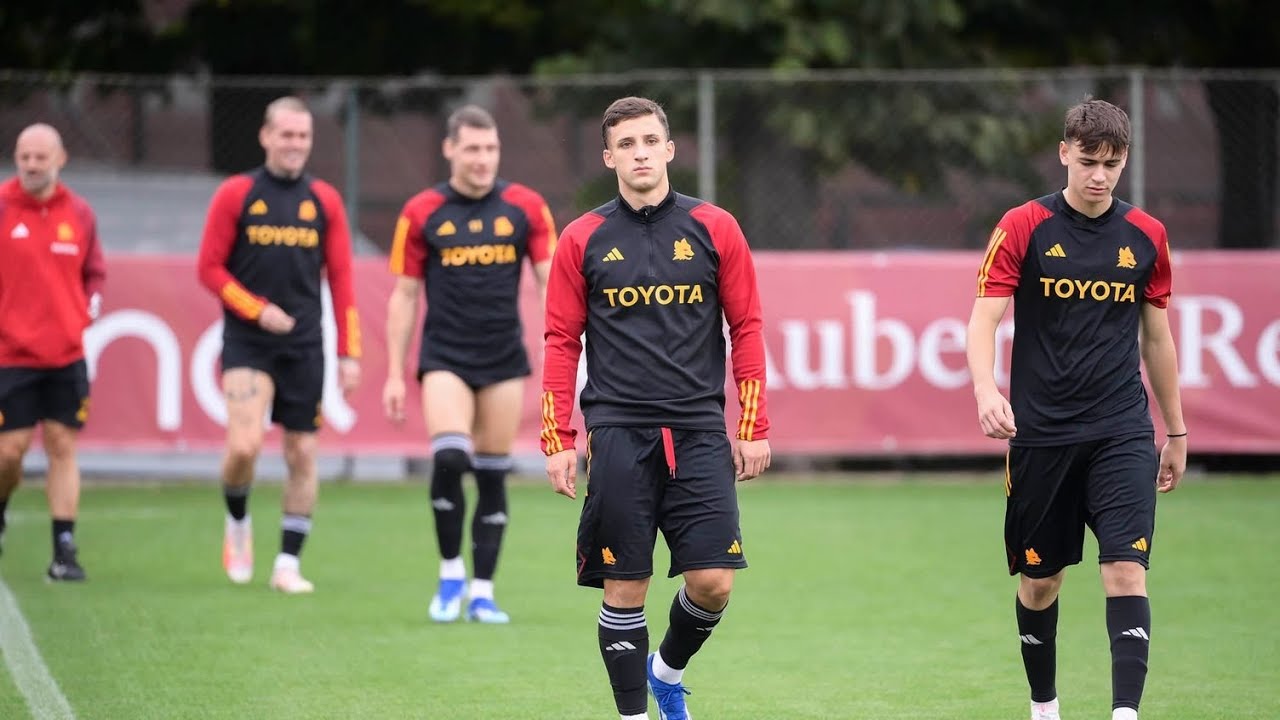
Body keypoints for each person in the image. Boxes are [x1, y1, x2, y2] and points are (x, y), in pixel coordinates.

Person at [541, 96, 772, 720]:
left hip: (698, 429)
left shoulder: (715, 227)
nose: (639, 153)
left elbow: (746, 327)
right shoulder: (581, 237)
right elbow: (561, 341)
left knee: (713, 583)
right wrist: (558, 438)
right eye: (626, 144)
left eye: (650, 141)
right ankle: (635, 715)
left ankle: (665, 672)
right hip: (617, 430)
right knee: (626, 586)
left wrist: (752, 426)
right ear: (609, 156)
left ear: (670, 150)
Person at [966, 98, 1187, 720]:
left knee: (1125, 570)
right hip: (1041, 435)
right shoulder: (1023, 225)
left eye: (1112, 164)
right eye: (1088, 161)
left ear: (1125, 163)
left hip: (1121, 430)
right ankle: (1045, 708)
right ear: (1064, 153)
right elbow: (984, 319)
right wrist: (986, 390)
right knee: (1040, 582)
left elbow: (1157, 338)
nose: (1099, 175)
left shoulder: (1146, 236)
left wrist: (1176, 429)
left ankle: (1125, 713)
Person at [383, 104, 556, 624]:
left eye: (491, 149)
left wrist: (559, 341)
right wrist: (394, 371)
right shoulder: (421, 211)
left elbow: (553, 280)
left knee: (492, 473)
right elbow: (405, 296)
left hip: (503, 359)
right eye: (473, 149)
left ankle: (483, 590)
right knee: (451, 458)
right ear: (450, 149)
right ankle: (450, 571)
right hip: (445, 359)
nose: (483, 159)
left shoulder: (526, 207)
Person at [197, 96, 361, 594]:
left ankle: (287, 563)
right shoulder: (236, 193)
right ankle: (239, 522)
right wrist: (255, 310)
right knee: (244, 447)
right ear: (266, 136)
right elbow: (209, 268)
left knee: (302, 453)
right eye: (286, 135)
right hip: (248, 341)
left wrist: (349, 352)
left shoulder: (325, 200)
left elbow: (343, 279)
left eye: (303, 136)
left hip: (305, 344)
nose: (295, 145)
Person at [0, 123, 106, 581]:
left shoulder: (79, 213)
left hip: (65, 353)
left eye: (41, 157)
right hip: (9, 355)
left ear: (60, 159)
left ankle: (64, 547)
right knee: (10, 453)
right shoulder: (2, 208)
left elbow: (94, 272)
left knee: (63, 445)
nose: (32, 164)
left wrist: (90, 303)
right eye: (25, 156)